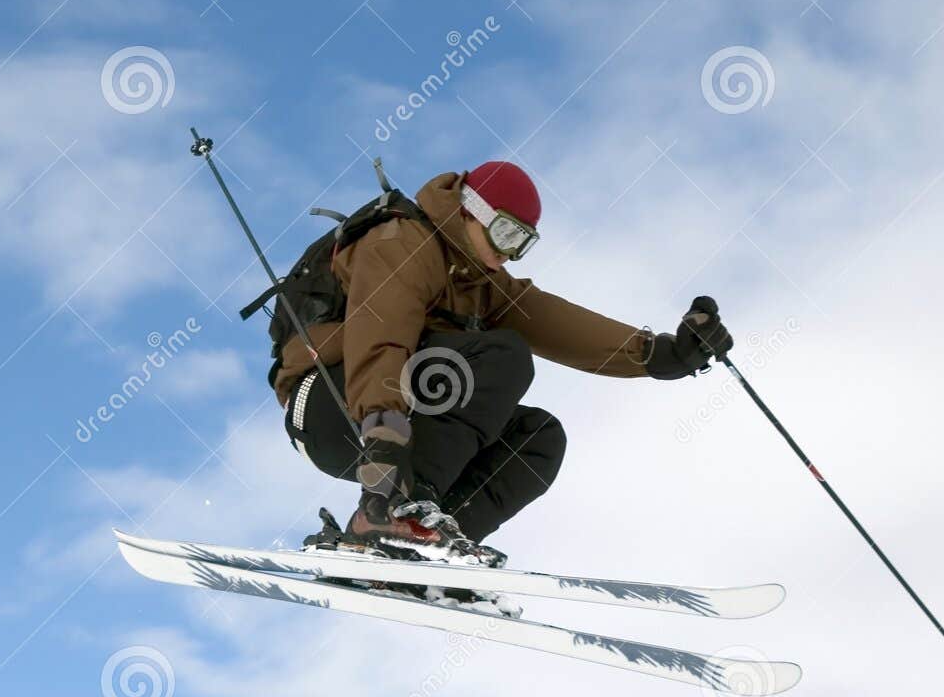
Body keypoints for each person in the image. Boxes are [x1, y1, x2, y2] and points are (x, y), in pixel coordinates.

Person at [277, 160, 733, 564]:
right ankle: (390, 513)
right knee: (503, 356)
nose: (507, 253)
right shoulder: (402, 242)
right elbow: (382, 340)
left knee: (537, 438)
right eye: (505, 233)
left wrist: (660, 355)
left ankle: (423, 552)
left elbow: (558, 324)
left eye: (522, 243)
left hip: (393, 423)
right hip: (330, 403)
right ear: (470, 210)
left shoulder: (480, 282)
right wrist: (383, 453)